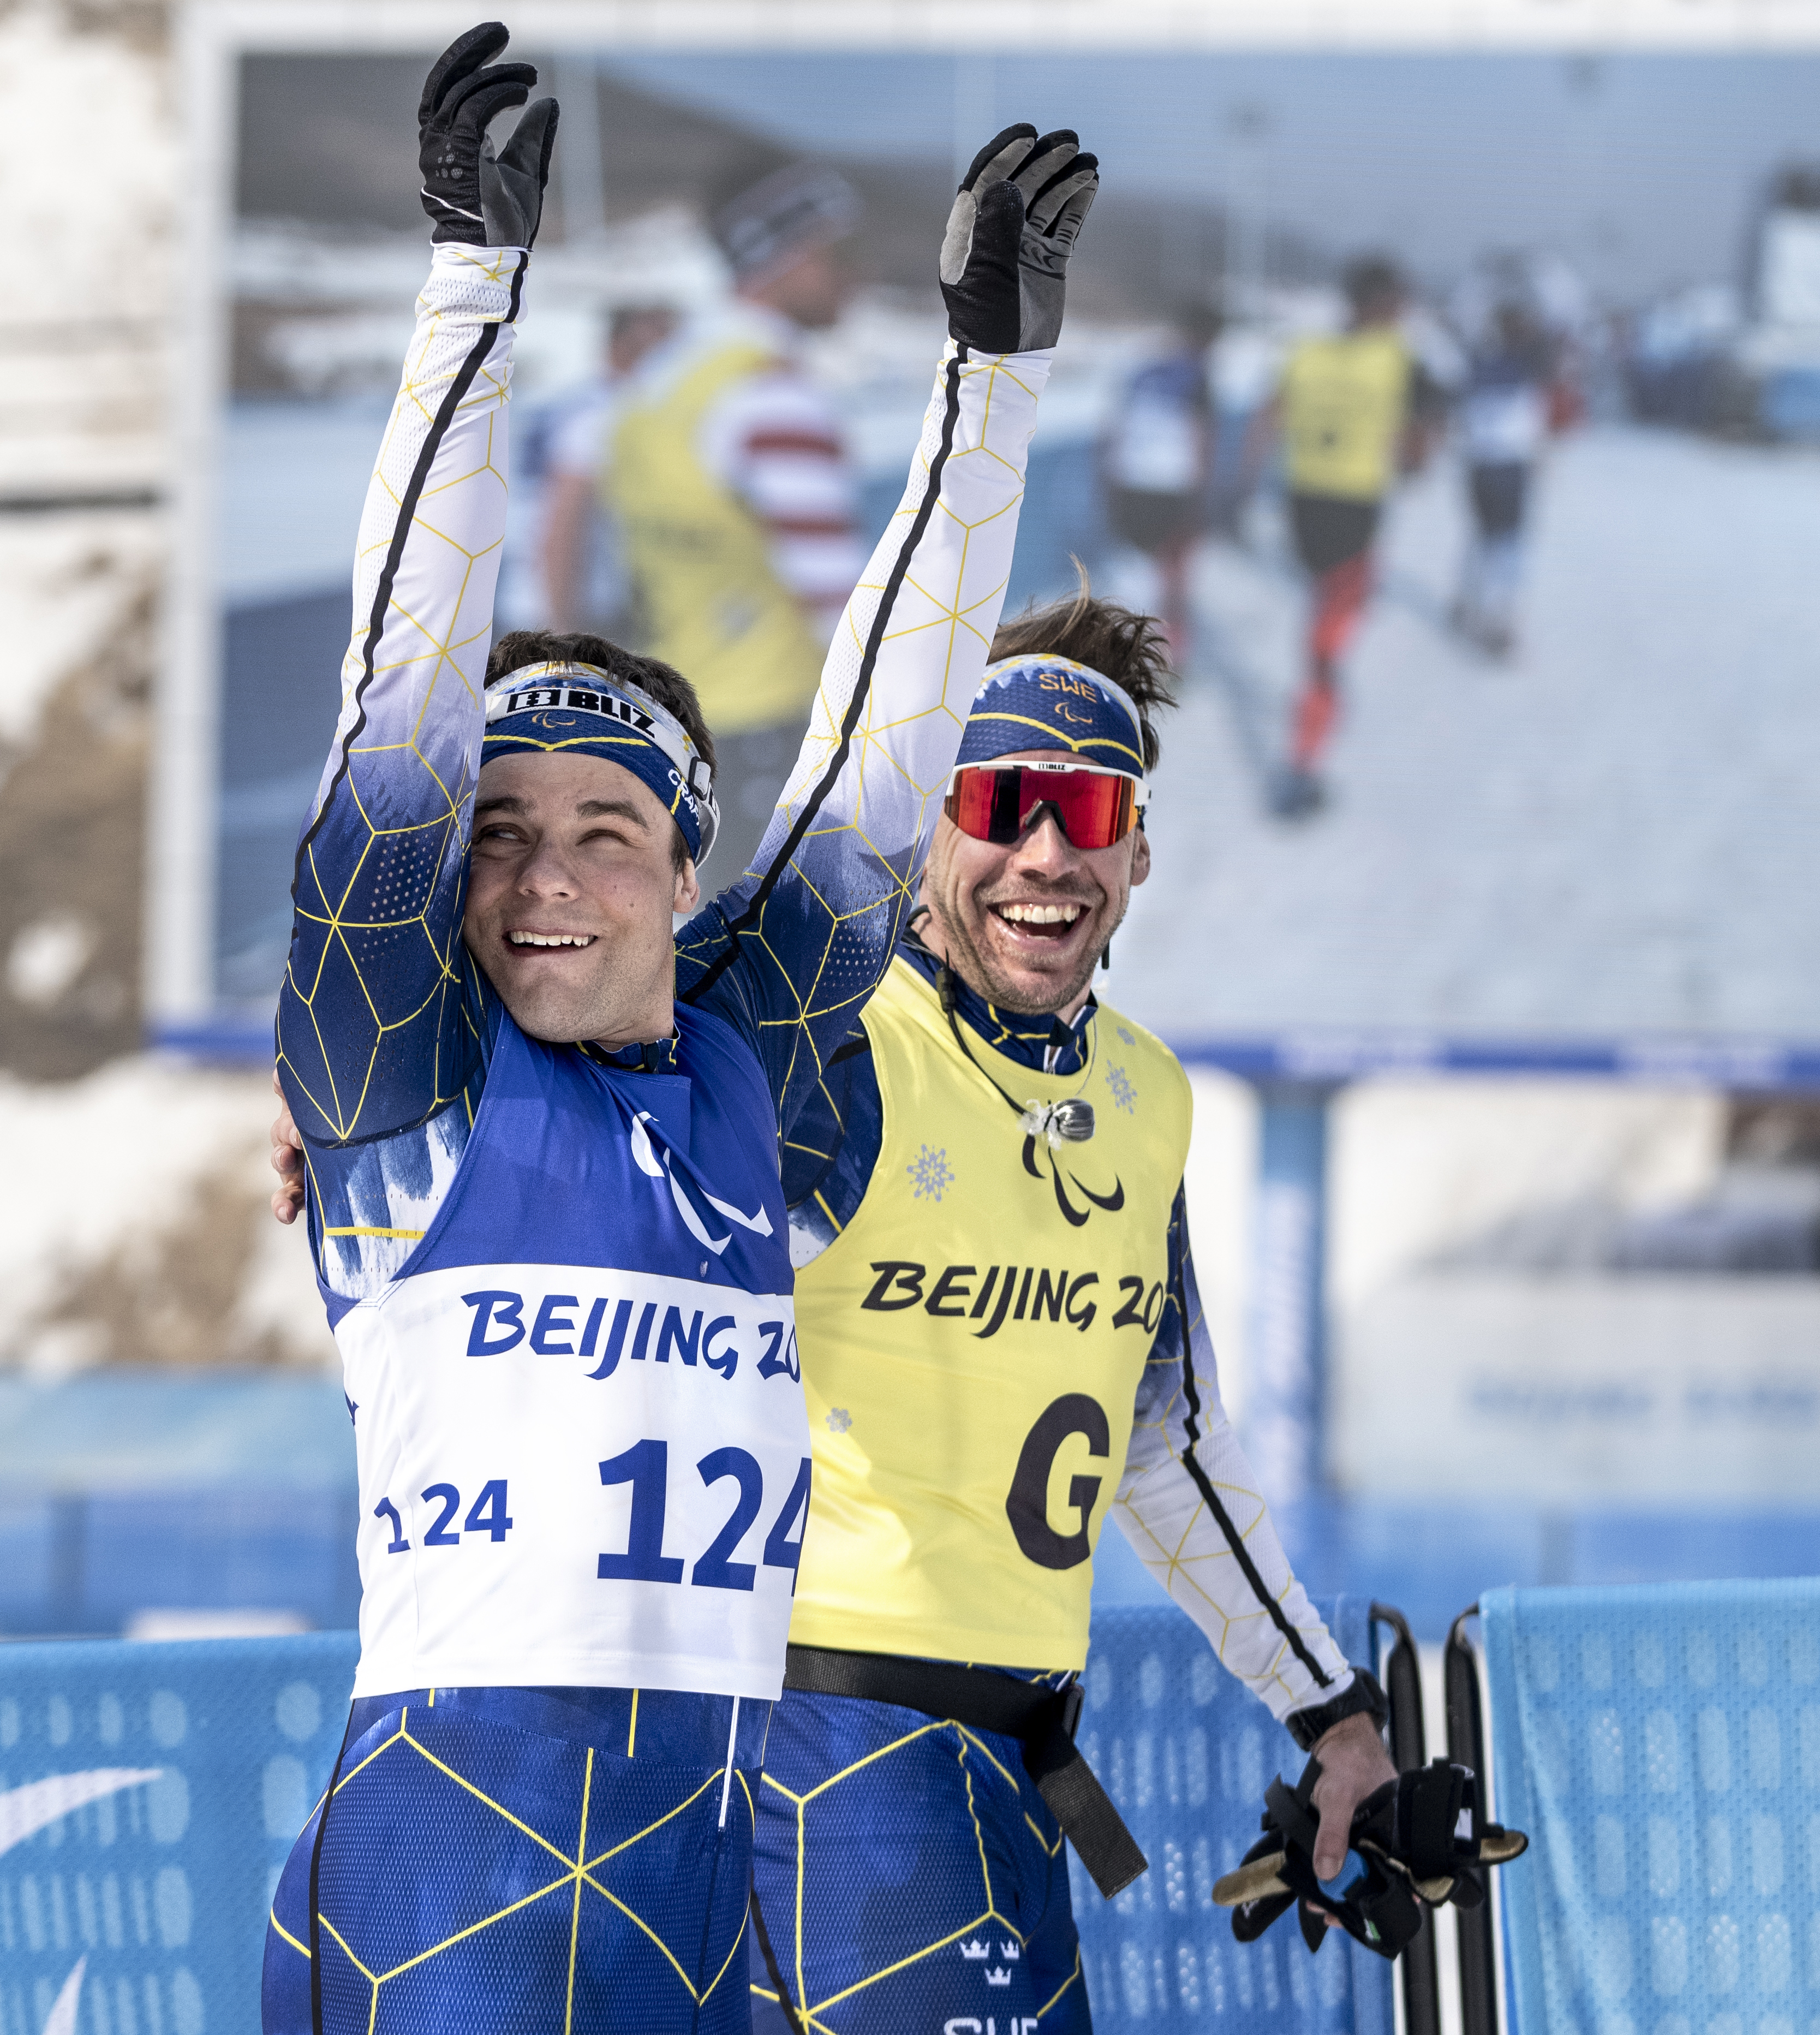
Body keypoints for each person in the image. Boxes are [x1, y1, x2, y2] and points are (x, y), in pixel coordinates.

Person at [259, 29, 1095, 2025]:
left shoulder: (749, 1070)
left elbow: (880, 750)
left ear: (682, 865)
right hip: (438, 1909)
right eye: (498, 835)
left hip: (704, 1911)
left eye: (601, 835)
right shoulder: (399, 1085)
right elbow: (395, 701)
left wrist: (989, 377)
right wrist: (472, 281)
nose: (541, 877)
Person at [740, 590, 1401, 2027]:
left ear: (1138, 849)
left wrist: (1333, 1713)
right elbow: (603, 1038)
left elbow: (1164, 1447)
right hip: (823, 1749)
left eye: (1087, 811)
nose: (1045, 855)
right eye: (1000, 801)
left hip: (1015, 1773)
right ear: (933, 822)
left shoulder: (1143, 1095)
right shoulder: (831, 1044)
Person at [599, 157, 869, 895]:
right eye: (840, 252)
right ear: (783, 254)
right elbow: (846, 608)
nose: (859, 275)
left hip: (677, 722)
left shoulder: (658, 385)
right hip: (772, 727)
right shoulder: (772, 394)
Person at [1249, 254, 1439, 817]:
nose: (1404, 312)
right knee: (1325, 643)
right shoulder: (1400, 357)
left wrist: (1242, 488)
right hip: (1355, 511)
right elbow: (1421, 438)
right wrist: (1413, 458)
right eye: (1399, 302)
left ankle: (1323, 696)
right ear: (1382, 304)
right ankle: (1303, 763)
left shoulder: (1306, 351)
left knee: (1326, 614)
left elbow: (1266, 419)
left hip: (1302, 508)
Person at [528, 299, 676, 638]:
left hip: (529, 597)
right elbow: (563, 521)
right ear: (622, 347)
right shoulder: (609, 415)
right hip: (582, 610)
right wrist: (562, 630)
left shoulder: (573, 400)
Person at [1097, 300, 1223, 671]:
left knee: (1132, 576)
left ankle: (1120, 657)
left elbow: (1112, 433)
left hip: (1128, 485)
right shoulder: (1199, 377)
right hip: (1173, 491)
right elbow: (1202, 441)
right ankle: (1168, 661)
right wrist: (1204, 498)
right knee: (1172, 583)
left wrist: (1109, 488)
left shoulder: (1142, 370)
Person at [1450, 296, 1561, 659]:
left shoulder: (1478, 362)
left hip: (1481, 463)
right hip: (1506, 465)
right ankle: (1499, 619)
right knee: (1507, 541)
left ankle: (1470, 603)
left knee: (1484, 536)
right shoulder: (1525, 365)